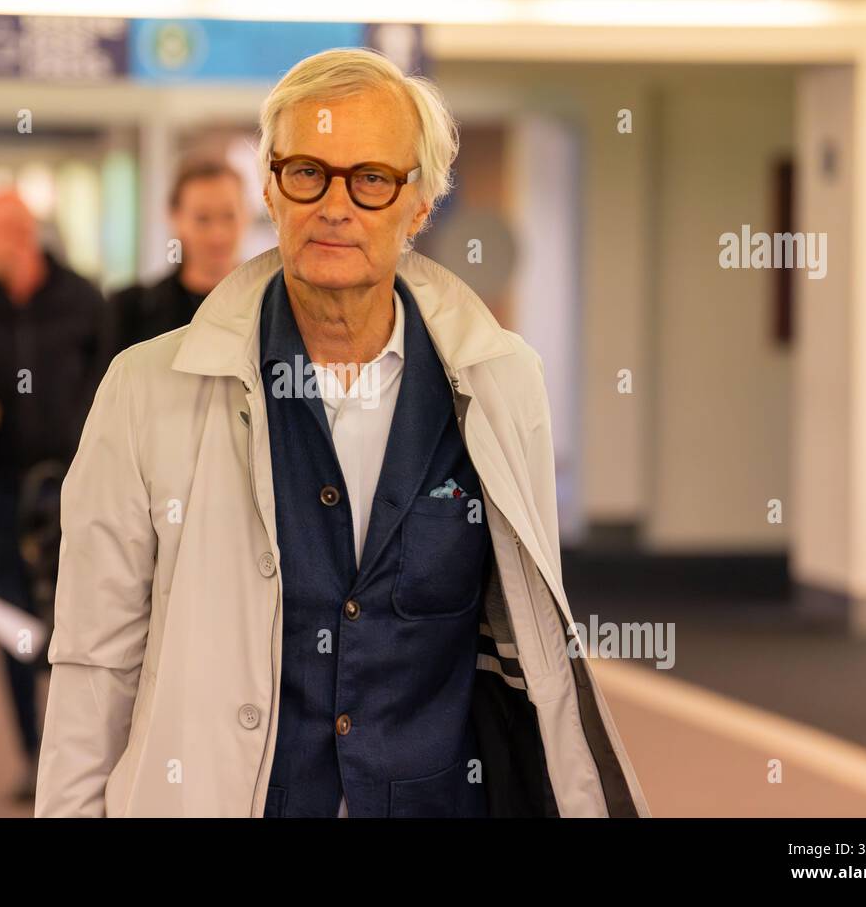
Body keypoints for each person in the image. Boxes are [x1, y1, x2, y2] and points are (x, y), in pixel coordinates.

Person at [35, 47, 650, 818]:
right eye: (307, 173)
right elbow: (96, 658)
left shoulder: (499, 384)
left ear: (418, 204)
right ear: (271, 187)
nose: (335, 205)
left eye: (371, 179)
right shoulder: (145, 391)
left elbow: (525, 634)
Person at [0, 189, 110, 802]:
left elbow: (108, 390)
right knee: (11, 614)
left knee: (84, 619)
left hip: (75, 486)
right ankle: (32, 755)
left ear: (18, 238)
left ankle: (82, 752)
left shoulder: (84, 299)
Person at [104, 157, 248, 361]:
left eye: (229, 216)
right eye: (202, 219)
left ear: (246, 215)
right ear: (175, 219)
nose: (218, 235)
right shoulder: (132, 312)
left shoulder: (270, 309)